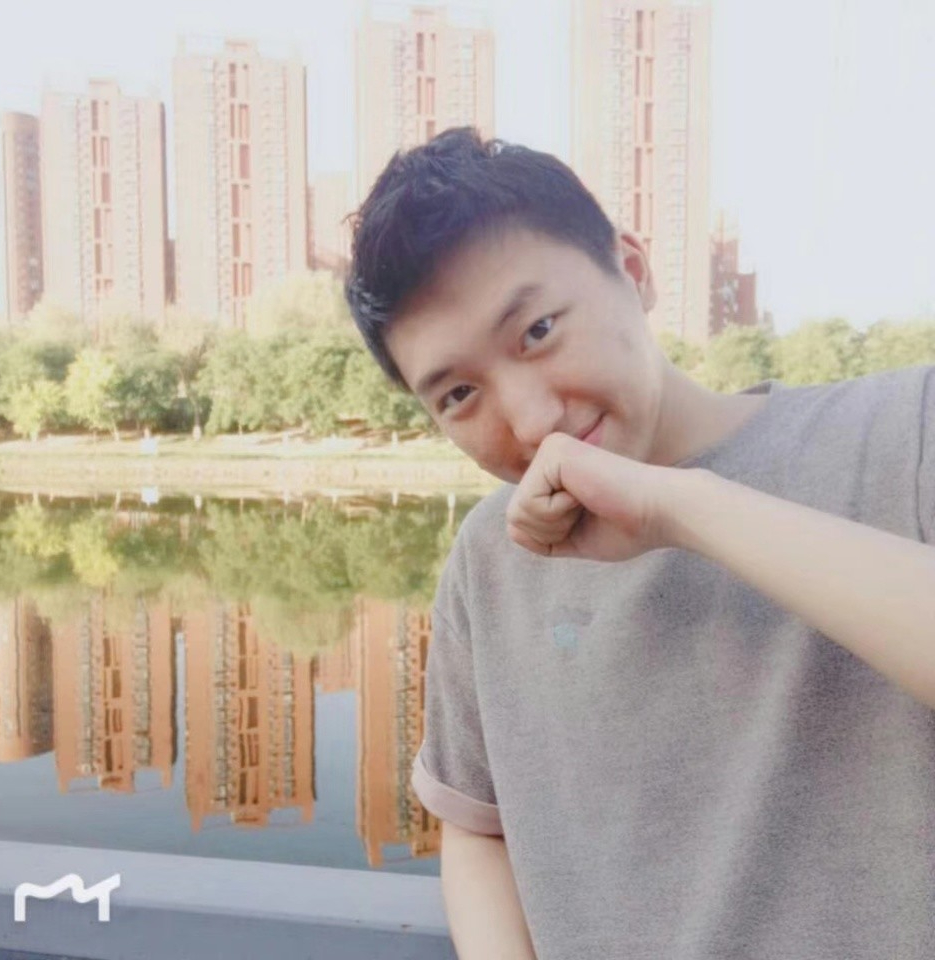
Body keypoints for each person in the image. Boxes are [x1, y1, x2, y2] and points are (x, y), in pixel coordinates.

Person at [343, 126, 935, 960]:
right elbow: (476, 825)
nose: (532, 421)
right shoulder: (491, 557)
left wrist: (684, 508)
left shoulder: (904, 431)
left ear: (633, 267)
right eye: (460, 394)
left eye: (538, 330)